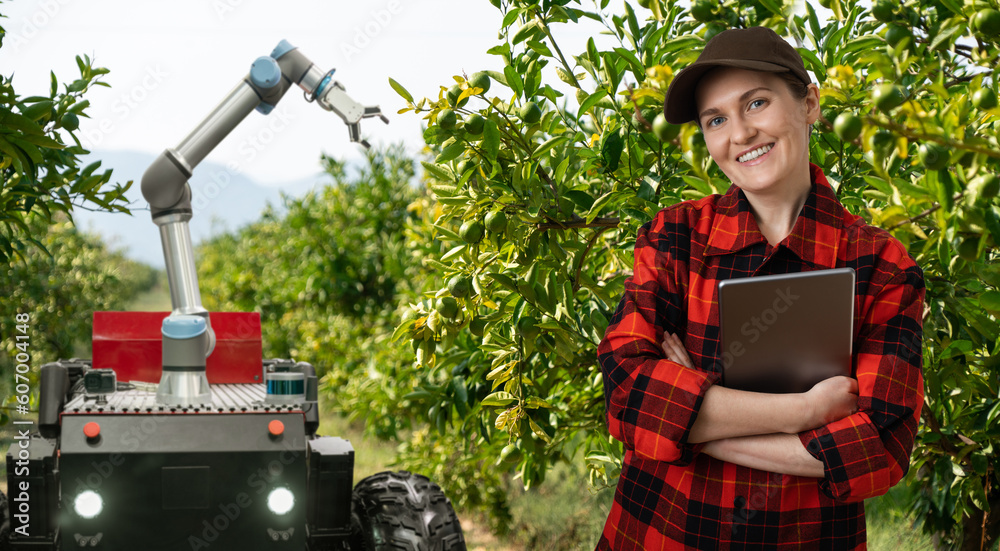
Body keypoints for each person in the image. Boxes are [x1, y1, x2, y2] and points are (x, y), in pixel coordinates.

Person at [596, 27, 925, 549]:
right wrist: (807, 412)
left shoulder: (881, 265)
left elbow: (877, 450)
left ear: (809, 103)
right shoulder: (674, 238)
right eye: (717, 119)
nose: (740, 133)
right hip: (661, 532)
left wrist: (690, 417)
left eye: (756, 102)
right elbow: (625, 393)